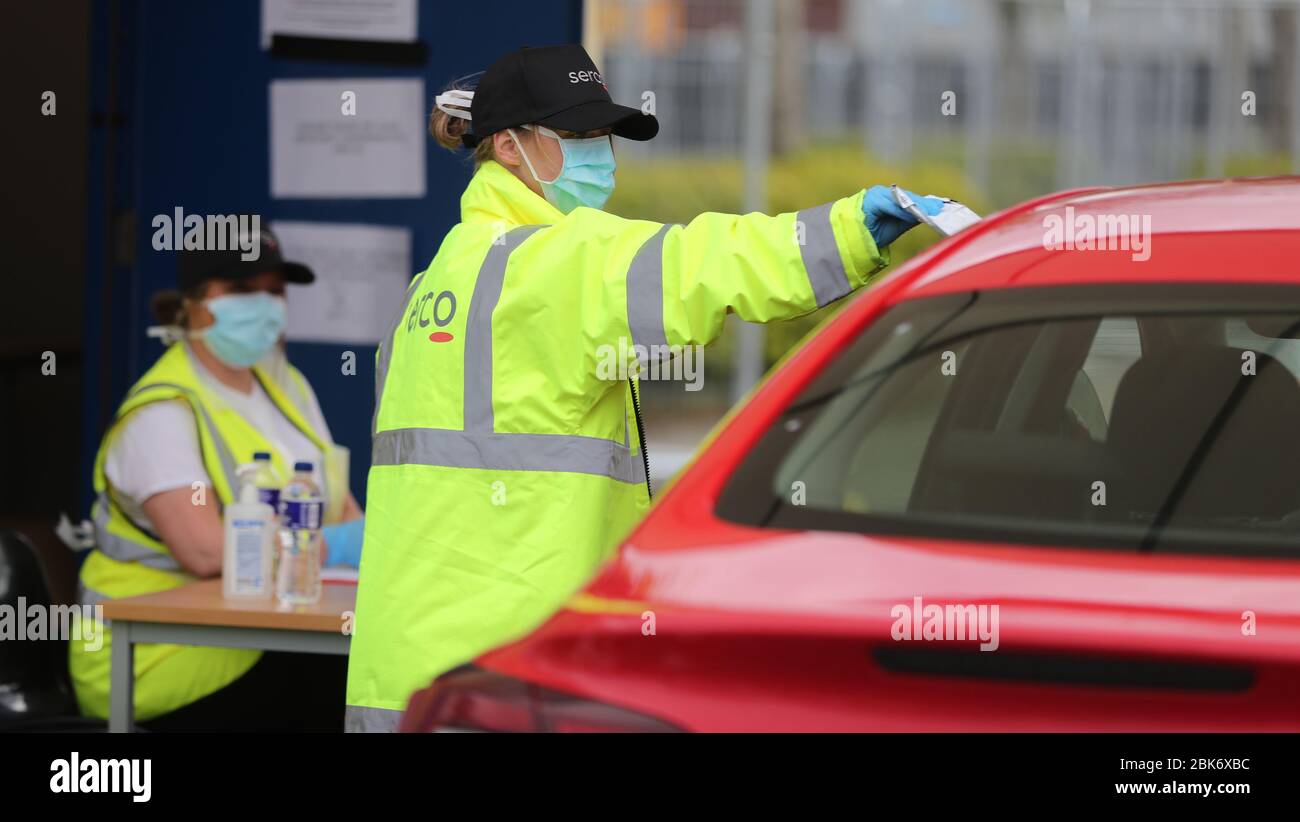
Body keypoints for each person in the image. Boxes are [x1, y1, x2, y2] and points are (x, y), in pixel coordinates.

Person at [345, 44, 945, 731]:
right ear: (509, 149)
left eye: (605, 136)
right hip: (504, 685)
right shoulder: (556, 264)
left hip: (402, 680)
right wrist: (850, 228)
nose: (602, 154)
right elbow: (703, 265)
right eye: (580, 137)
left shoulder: (428, 291)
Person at [71, 225, 365, 731]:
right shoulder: (162, 410)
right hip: (155, 658)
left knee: (387, 674)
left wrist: (351, 538)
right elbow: (208, 551)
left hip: (270, 635)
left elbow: (343, 510)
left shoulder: (287, 385)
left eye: (274, 291)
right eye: (242, 290)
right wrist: (334, 546)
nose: (265, 304)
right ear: (193, 303)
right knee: (346, 691)